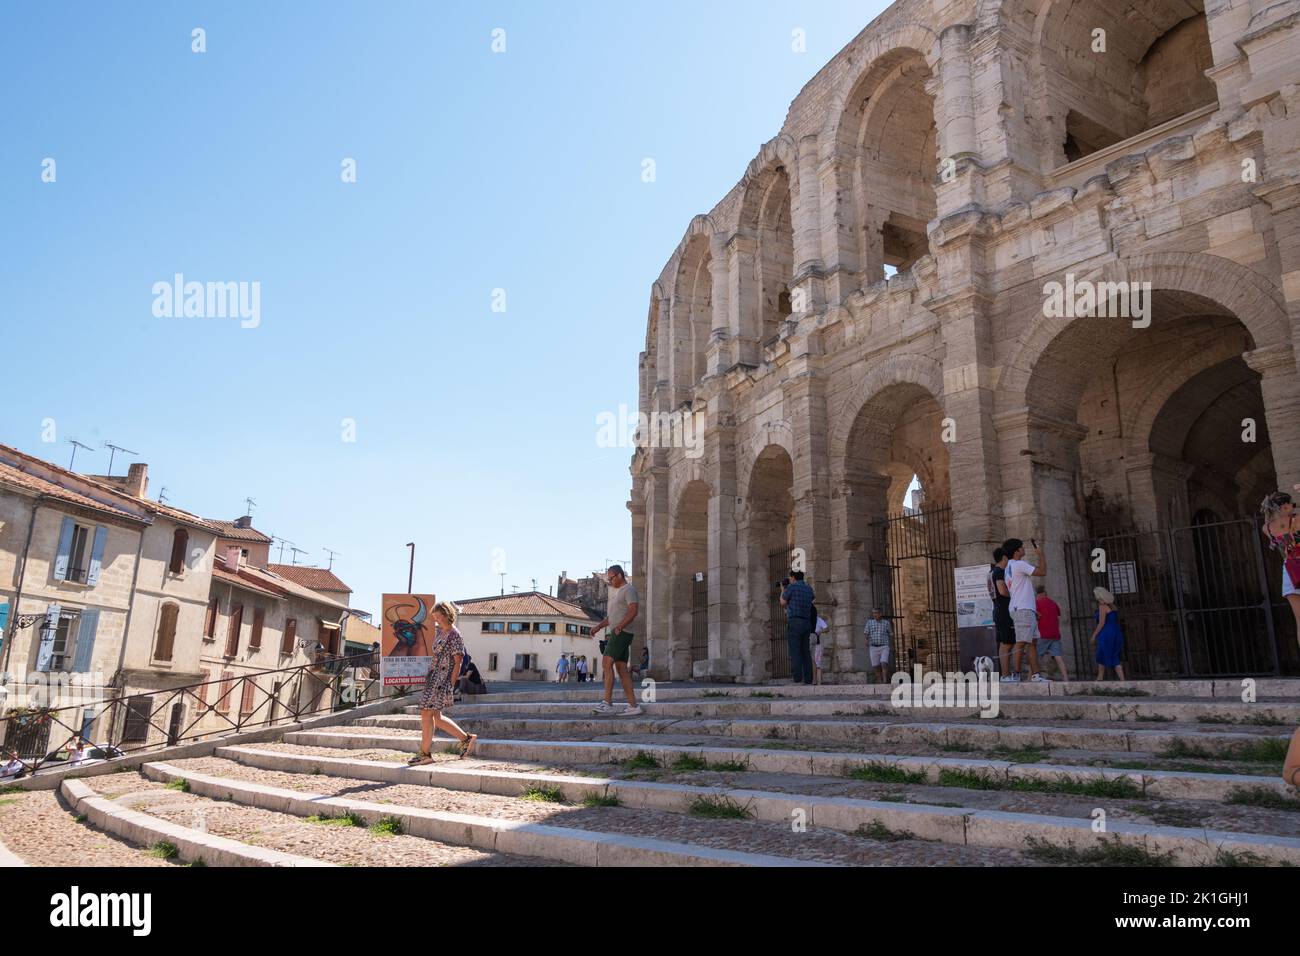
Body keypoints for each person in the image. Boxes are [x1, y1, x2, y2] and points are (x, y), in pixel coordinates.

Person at [409, 601, 477, 766]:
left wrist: (450, 685)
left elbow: (458, 661)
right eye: (435, 617)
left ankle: (425, 754)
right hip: (434, 677)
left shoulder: (455, 635)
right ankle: (466, 739)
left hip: (442, 679)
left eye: (438, 616)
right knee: (436, 717)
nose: (436, 620)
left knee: (427, 714)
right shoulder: (440, 632)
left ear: (447, 614)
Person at [591, 565, 643, 716]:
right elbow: (611, 617)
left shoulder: (629, 590)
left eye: (611, 577)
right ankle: (633, 706)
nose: (610, 580)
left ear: (620, 575)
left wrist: (620, 627)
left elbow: (633, 611)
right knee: (621, 669)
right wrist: (598, 627)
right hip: (619, 631)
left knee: (606, 662)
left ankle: (607, 703)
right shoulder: (618, 593)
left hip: (622, 632)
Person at [1002, 538, 1048, 682]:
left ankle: (1036, 675)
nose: (1024, 549)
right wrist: (1040, 554)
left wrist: (1033, 610)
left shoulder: (1009, 566)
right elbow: (1042, 572)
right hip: (1022, 608)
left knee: (1032, 642)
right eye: (1021, 547)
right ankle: (1015, 674)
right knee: (1021, 641)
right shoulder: (1019, 564)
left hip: (1023, 607)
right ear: (1016, 551)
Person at [1260, 489, 1300, 650]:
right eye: (1290, 504)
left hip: (1290, 571)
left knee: (1299, 621)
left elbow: (1284, 546)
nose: (1293, 506)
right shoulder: (1297, 521)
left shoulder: (1267, 528)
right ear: (1283, 507)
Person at [780, 570, 816, 685]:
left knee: (795, 650)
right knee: (805, 651)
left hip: (794, 621)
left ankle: (797, 678)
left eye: (790, 578)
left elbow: (783, 602)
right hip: (806, 622)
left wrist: (782, 590)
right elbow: (811, 600)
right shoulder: (809, 589)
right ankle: (809, 678)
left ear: (793, 577)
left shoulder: (792, 587)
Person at [988, 548, 1015, 679]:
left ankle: (1005, 674)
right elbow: (1002, 591)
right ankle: (1005, 675)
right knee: (1007, 643)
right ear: (1004, 558)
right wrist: (1015, 595)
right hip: (1004, 610)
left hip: (997, 609)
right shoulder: (999, 572)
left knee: (1005, 642)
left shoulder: (991, 572)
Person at [1035, 585, 1070, 682]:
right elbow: (1058, 614)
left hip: (1043, 634)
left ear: (1038, 595)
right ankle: (1066, 678)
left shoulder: (1036, 603)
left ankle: (1030, 677)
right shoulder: (1053, 603)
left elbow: (1036, 616)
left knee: (1035, 656)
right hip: (1055, 634)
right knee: (1058, 656)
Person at [1091, 586, 1126, 681]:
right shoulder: (1112, 606)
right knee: (1103, 653)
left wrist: (1094, 635)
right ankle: (1100, 677)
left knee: (1108, 654)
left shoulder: (1102, 607)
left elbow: (1101, 623)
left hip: (1107, 633)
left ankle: (1122, 680)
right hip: (1115, 632)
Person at [864, 607, 892, 684]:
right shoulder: (869, 623)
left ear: (880, 614)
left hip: (884, 646)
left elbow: (890, 633)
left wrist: (889, 644)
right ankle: (880, 682)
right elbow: (866, 633)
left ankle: (885, 680)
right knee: (875, 666)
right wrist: (866, 640)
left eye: (876, 613)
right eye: (873, 613)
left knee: (883, 663)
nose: (874, 614)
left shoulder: (886, 623)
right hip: (873, 647)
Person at [811, 607, 829, 685]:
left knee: (817, 662)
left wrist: (820, 631)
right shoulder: (807, 620)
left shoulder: (818, 619)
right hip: (810, 642)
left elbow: (827, 628)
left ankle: (818, 681)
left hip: (817, 643)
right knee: (813, 661)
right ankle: (815, 680)